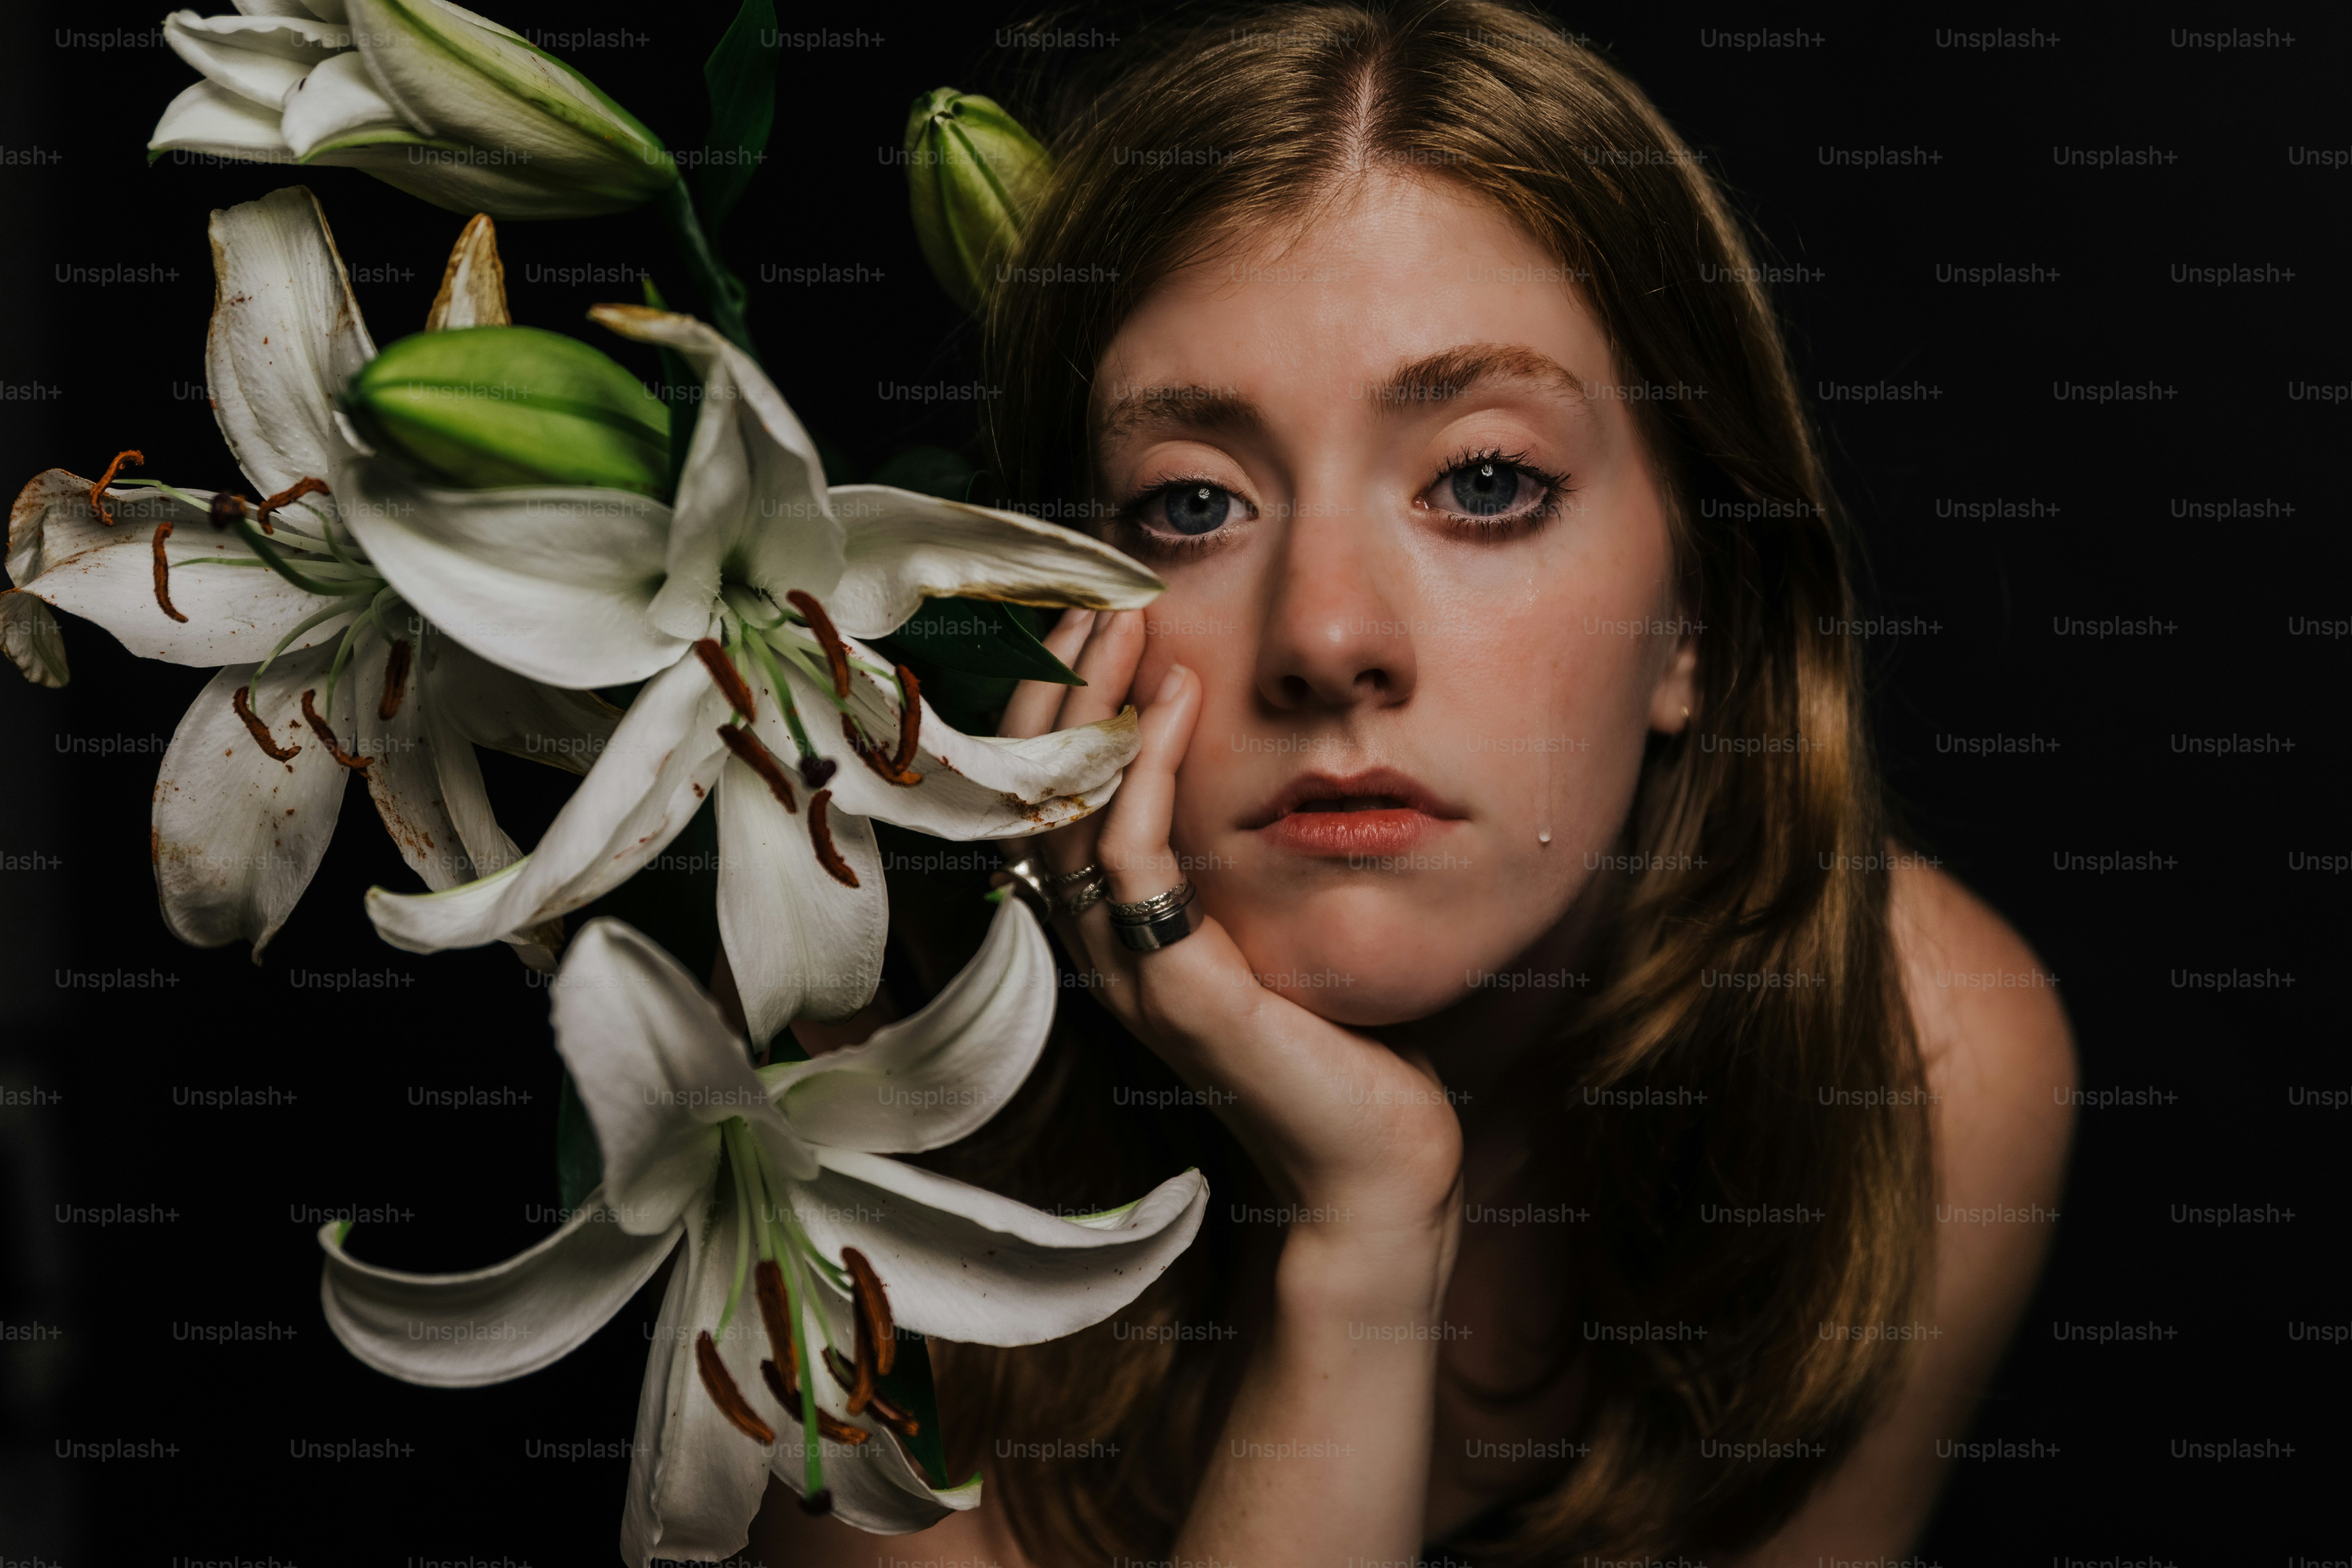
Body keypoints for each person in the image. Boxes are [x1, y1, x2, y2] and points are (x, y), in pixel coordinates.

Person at [760, 2, 2075, 1561]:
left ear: (1698, 622)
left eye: (1487, 482)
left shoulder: (1917, 1062)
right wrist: (1366, 1237)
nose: (1327, 636)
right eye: (1193, 504)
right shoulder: (830, 1107)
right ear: (1052, 604)